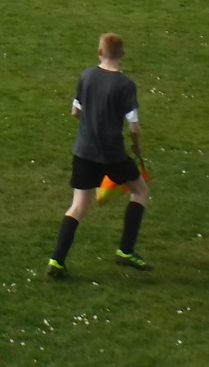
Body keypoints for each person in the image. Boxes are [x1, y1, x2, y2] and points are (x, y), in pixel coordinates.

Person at [47, 32, 152, 278]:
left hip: (84, 151)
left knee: (78, 206)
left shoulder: (86, 76)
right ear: (122, 54)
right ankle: (126, 250)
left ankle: (56, 260)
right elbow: (133, 127)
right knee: (140, 191)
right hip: (113, 154)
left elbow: (75, 112)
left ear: (99, 52)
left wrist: (90, 123)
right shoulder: (126, 85)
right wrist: (137, 147)